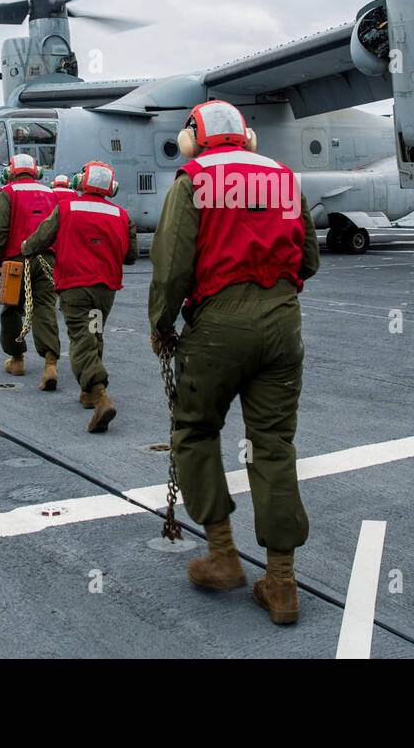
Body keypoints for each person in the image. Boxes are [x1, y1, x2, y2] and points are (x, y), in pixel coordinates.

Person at [148, 100, 319, 624]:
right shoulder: (283, 175)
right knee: (273, 445)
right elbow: (308, 258)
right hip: (283, 324)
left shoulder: (192, 179)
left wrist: (162, 323)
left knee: (196, 431)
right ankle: (283, 584)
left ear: (193, 137)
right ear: (246, 136)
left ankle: (223, 556)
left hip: (217, 326)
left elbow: (172, 263)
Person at [22, 161, 137, 433]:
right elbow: (130, 256)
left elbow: (41, 239)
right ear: (111, 187)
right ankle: (87, 393)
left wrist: (26, 248)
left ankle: (99, 394)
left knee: (81, 339)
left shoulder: (67, 208)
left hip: (75, 287)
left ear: (80, 183)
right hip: (105, 290)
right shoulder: (121, 215)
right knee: (95, 332)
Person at [0, 153, 61, 389]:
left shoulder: (8, 192)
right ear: (35, 171)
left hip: (17, 262)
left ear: (12, 172)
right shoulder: (51, 193)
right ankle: (50, 364)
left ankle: (17, 359)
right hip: (48, 259)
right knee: (45, 308)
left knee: (11, 308)